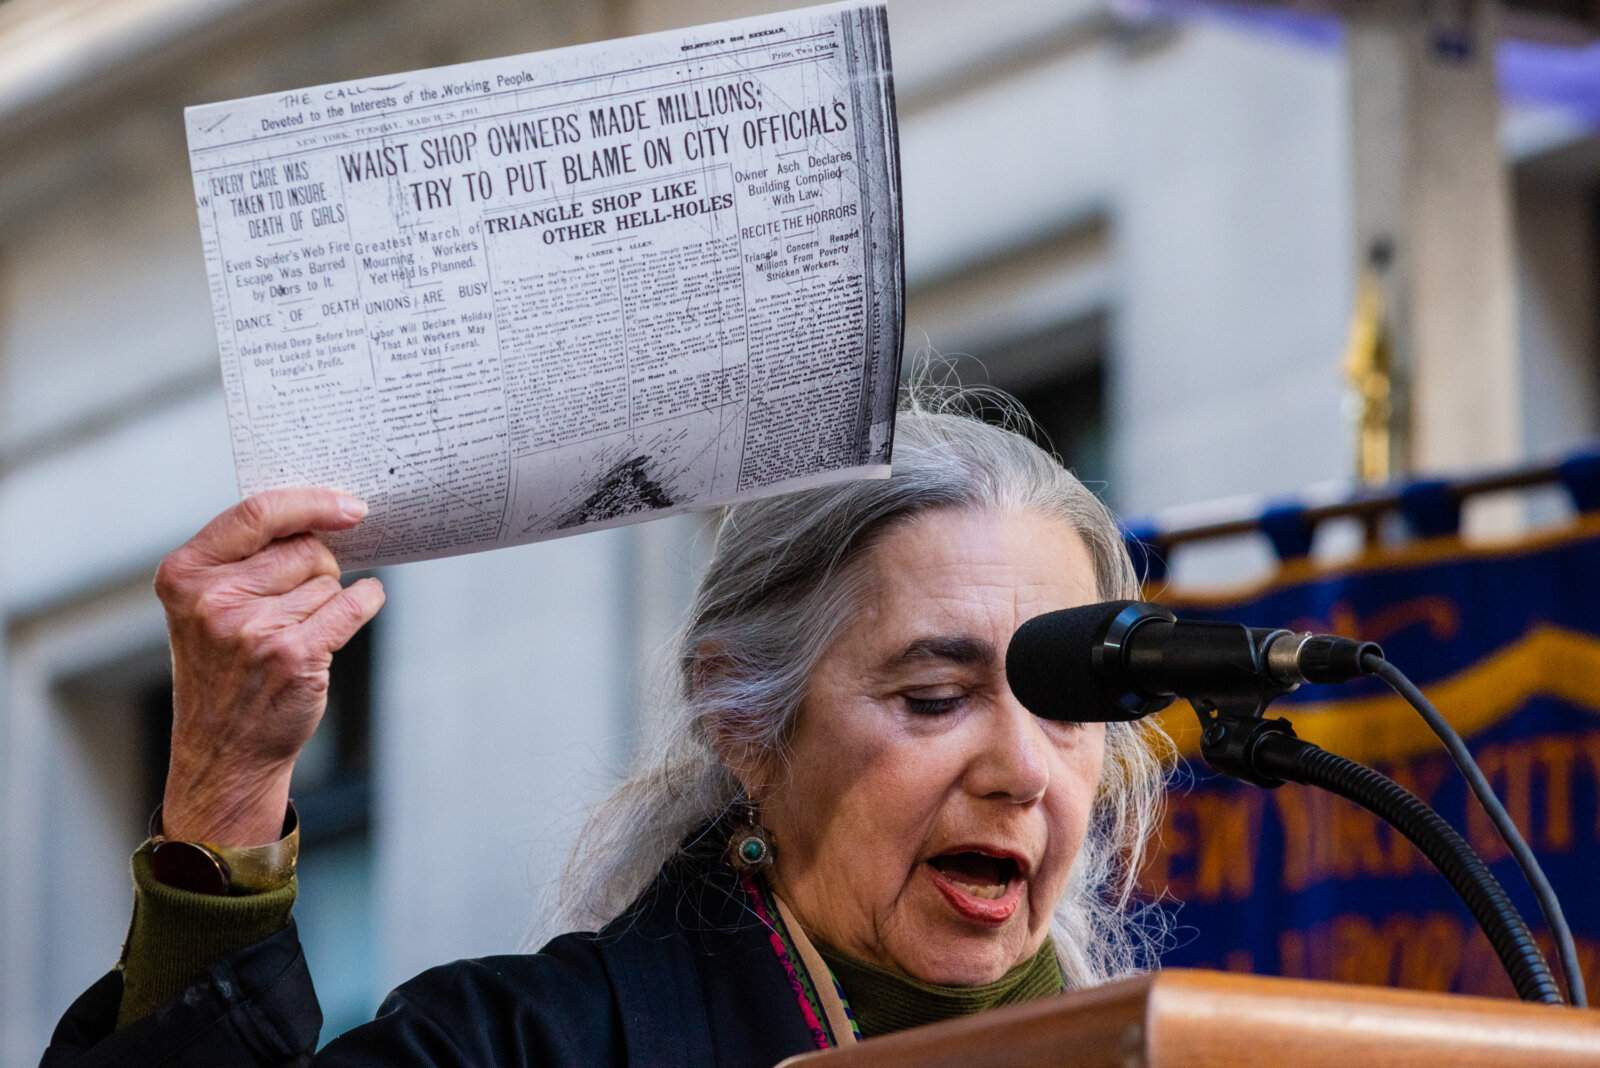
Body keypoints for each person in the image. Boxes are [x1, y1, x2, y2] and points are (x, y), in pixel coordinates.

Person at [43, 396, 1170, 1066]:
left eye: (1070, 710)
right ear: (743, 716)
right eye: (933, 700)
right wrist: (227, 790)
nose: (1022, 769)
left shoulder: (1194, 1047)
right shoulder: (515, 1049)